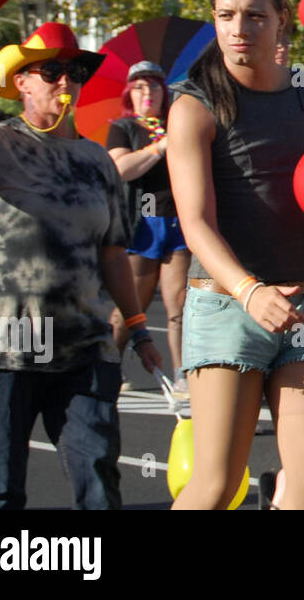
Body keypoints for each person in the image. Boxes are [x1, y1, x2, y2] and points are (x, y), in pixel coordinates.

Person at [0, 23, 162, 508]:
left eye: (74, 71)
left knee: (98, 480)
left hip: (83, 345)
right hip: (4, 345)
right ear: (22, 82)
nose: (65, 80)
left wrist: (139, 329)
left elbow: (112, 252)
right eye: (51, 71)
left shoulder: (96, 160)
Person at [168, 0, 304, 510]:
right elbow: (195, 224)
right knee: (217, 485)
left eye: (254, 16)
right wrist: (249, 290)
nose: (239, 30)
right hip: (225, 308)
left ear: (282, 19)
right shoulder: (193, 105)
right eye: (226, 16)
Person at [105, 60, 190, 394]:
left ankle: (183, 372)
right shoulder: (123, 128)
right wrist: (158, 148)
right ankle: (109, 366)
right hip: (141, 224)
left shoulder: (177, 123)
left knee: (179, 304)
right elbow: (121, 169)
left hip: (178, 221)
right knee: (132, 305)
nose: (147, 93)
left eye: (153, 86)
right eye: (139, 87)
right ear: (130, 93)